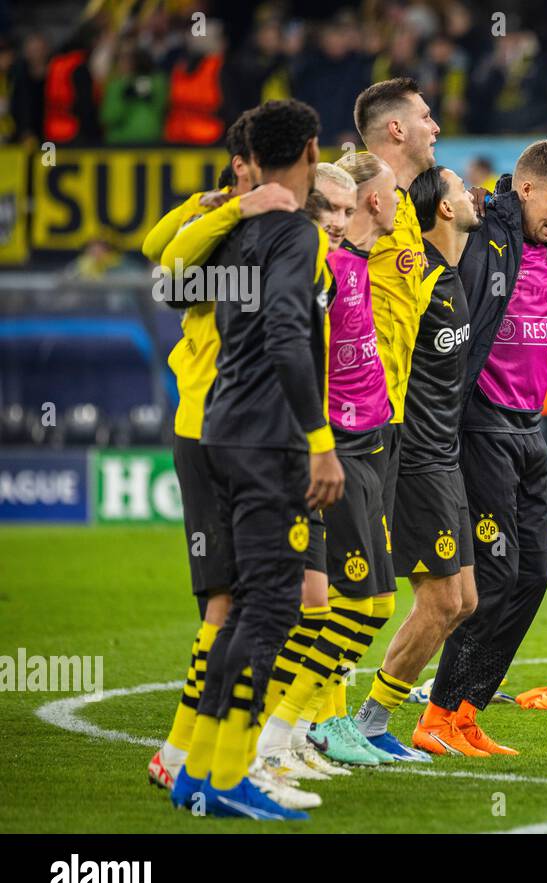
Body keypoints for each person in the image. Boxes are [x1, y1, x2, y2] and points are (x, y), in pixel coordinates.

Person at [170, 99, 342, 821]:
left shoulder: (237, 235)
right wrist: (321, 441)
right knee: (271, 606)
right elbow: (283, 337)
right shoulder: (294, 237)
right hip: (272, 439)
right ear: (309, 150)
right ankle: (230, 772)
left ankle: (198, 772)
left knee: (244, 608)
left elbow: (172, 276)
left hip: (222, 429)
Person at [422, 140, 547, 749]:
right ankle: (436, 714)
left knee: (532, 578)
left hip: (532, 426)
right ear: (525, 189)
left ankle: (466, 713)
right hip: (479, 424)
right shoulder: (486, 228)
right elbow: (443, 215)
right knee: (498, 576)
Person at [142, 112, 304, 798]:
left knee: (245, 598)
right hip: (212, 429)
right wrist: (223, 203)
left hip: (243, 429)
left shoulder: (259, 237)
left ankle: (210, 750)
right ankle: (186, 751)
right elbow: (162, 259)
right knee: (230, 601)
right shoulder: (221, 240)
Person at [262, 152, 415, 770]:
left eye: (347, 208)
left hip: (370, 442)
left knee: (367, 604)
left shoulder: (352, 265)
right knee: (348, 604)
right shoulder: (310, 271)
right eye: (330, 209)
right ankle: (277, 738)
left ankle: (293, 735)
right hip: (330, 446)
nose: (340, 219)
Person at [356, 165, 487, 757]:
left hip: (445, 455)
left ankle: (375, 712)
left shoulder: (457, 274)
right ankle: (366, 721)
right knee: (436, 601)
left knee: (465, 601)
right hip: (413, 457)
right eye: (461, 189)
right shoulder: (416, 278)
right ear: (441, 208)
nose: (472, 196)